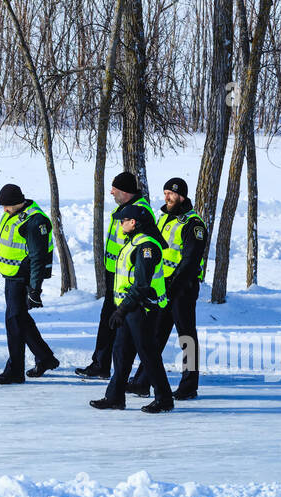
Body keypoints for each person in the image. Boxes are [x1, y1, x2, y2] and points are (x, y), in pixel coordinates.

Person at [88, 202, 174, 412]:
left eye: (123, 221)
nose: (120, 225)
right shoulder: (133, 242)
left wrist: (122, 310)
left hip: (142, 309)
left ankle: (164, 399)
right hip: (130, 308)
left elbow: (141, 285)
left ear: (133, 222)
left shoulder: (146, 247)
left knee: (148, 353)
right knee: (121, 352)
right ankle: (115, 397)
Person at [129, 176, 207, 399]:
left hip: (182, 288)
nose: (167, 197)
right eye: (165, 193)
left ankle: (189, 386)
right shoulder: (163, 218)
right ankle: (142, 381)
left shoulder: (193, 224)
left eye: (171, 193)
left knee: (187, 338)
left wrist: (174, 286)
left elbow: (190, 261)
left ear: (182, 196)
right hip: (164, 287)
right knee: (154, 337)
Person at [76, 172, 159, 379]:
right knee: (109, 319)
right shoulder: (123, 209)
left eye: (114, 189)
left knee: (128, 327)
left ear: (125, 192)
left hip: (128, 279)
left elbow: (145, 246)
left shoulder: (140, 212)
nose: (111, 192)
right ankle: (102, 364)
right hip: (115, 273)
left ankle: (137, 375)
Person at [0, 184, 61, 384]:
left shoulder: (35, 221)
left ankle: (15, 370)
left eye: (7, 206)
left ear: (18, 202)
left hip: (23, 277)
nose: (4, 210)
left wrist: (35, 289)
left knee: (14, 322)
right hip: (11, 275)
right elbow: (1, 245)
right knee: (20, 320)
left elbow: (38, 257)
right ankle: (45, 358)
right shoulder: (11, 215)